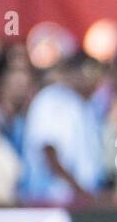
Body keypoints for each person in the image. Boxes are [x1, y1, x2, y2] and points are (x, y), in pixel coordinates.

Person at [21, 52, 106, 206]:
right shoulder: (52, 99)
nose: (93, 81)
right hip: (51, 199)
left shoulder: (86, 105)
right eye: (88, 74)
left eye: (97, 76)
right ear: (72, 74)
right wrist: (79, 190)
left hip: (80, 199)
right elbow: (48, 150)